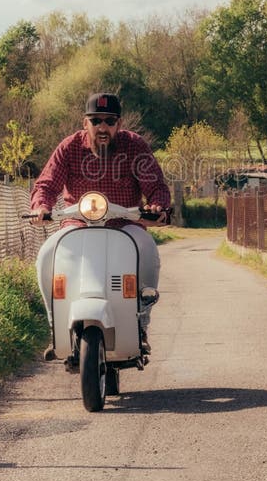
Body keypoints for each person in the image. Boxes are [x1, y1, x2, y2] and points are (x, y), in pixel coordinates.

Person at [29, 92, 171, 355]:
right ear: (85, 123)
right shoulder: (69, 147)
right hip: (76, 224)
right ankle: (55, 327)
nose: (102, 127)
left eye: (109, 120)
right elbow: (46, 184)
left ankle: (141, 326)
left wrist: (157, 207)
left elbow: (156, 186)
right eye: (96, 121)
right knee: (47, 255)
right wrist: (42, 206)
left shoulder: (135, 146)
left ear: (119, 124)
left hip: (125, 224)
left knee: (147, 249)